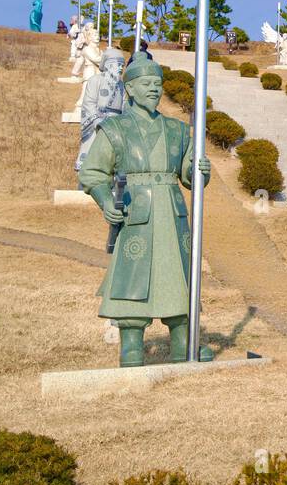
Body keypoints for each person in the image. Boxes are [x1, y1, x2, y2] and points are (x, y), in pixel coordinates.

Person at [78, 56, 211, 367]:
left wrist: (200, 169)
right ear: (131, 89)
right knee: (131, 276)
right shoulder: (115, 128)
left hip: (171, 212)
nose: (154, 89)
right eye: (146, 84)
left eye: (158, 84)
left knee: (178, 273)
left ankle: (183, 343)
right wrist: (106, 201)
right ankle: (132, 346)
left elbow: (189, 176)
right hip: (136, 213)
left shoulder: (177, 130)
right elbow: (93, 172)